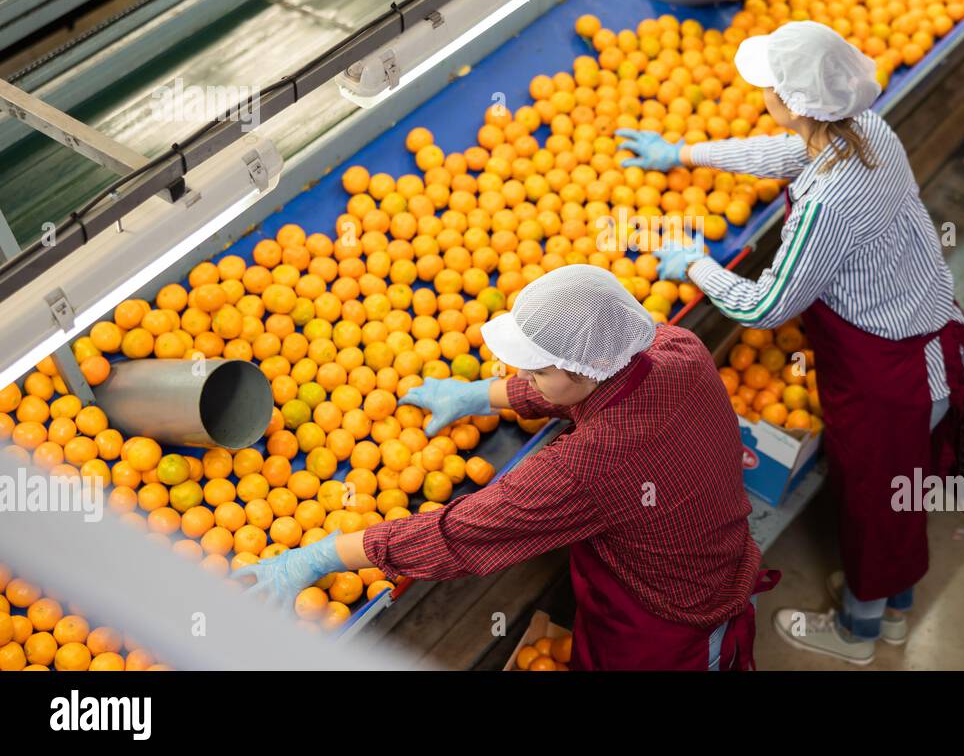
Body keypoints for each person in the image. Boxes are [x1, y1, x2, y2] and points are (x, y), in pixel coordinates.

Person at [619, 21, 964, 666]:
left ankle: (858, 632)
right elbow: (786, 154)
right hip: (927, 340)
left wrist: (696, 267)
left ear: (792, 103)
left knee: (874, 502)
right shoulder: (867, 131)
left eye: (769, 85)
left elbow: (768, 305)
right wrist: (682, 154)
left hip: (887, 376)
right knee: (901, 489)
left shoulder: (830, 205)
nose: (764, 92)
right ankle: (893, 607)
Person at [237, 264, 776, 670]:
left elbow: (462, 532)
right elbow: (589, 381)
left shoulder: (589, 465)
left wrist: (319, 557)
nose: (525, 375)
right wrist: (482, 396)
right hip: (699, 550)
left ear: (580, 369)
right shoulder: (675, 347)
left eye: (535, 369)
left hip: (675, 620)